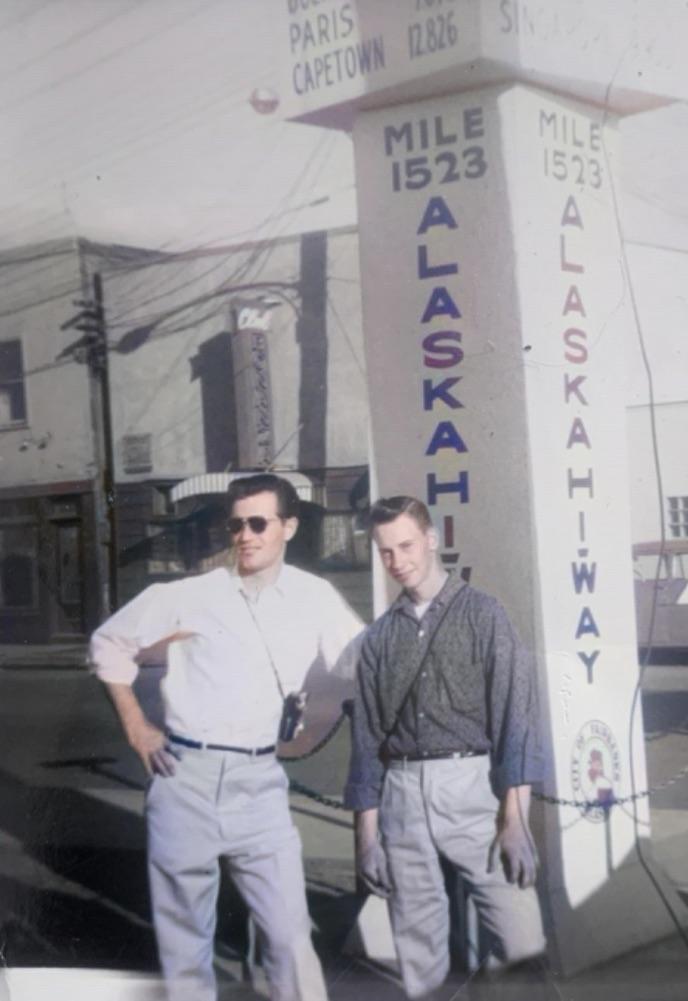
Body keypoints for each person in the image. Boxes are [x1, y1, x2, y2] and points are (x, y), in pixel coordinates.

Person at [90, 473, 363, 1001]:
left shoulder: (316, 597)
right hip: (183, 779)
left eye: (259, 523)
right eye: (236, 524)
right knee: (185, 944)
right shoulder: (191, 594)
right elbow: (109, 645)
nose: (245, 535)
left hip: (259, 784)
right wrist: (135, 724)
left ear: (288, 526)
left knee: (288, 937)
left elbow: (360, 659)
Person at [344, 495, 546, 999]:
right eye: (385, 551)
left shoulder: (484, 615)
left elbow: (514, 722)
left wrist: (515, 819)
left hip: (473, 791)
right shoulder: (378, 639)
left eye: (406, 545)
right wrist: (366, 839)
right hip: (402, 795)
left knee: (522, 942)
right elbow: (367, 743)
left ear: (432, 540)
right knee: (419, 953)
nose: (398, 561)